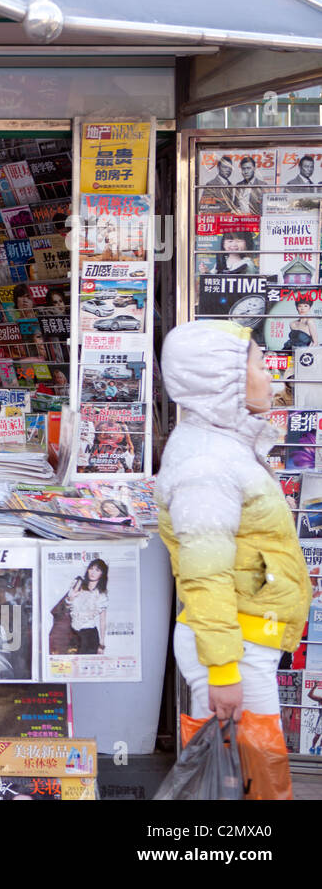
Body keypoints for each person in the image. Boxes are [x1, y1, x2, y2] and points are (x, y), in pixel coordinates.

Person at [157, 321, 310, 752]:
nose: (270, 377)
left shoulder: (223, 447)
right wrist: (223, 671)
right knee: (248, 780)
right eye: (261, 364)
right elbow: (204, 575)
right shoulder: (206, 462)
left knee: (247, 778)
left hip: (245, 639)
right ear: (225, 379)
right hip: (233, 649)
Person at [61, 559, 109, 655]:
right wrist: (71, 598)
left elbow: (102, 620)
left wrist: (102, 644)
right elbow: (65, 607)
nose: (93, 572)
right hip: (73, 633)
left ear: (102, 574)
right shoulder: (78, 584)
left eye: (97, 570)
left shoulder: (101, 595)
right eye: (91, 568)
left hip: (90, 635)